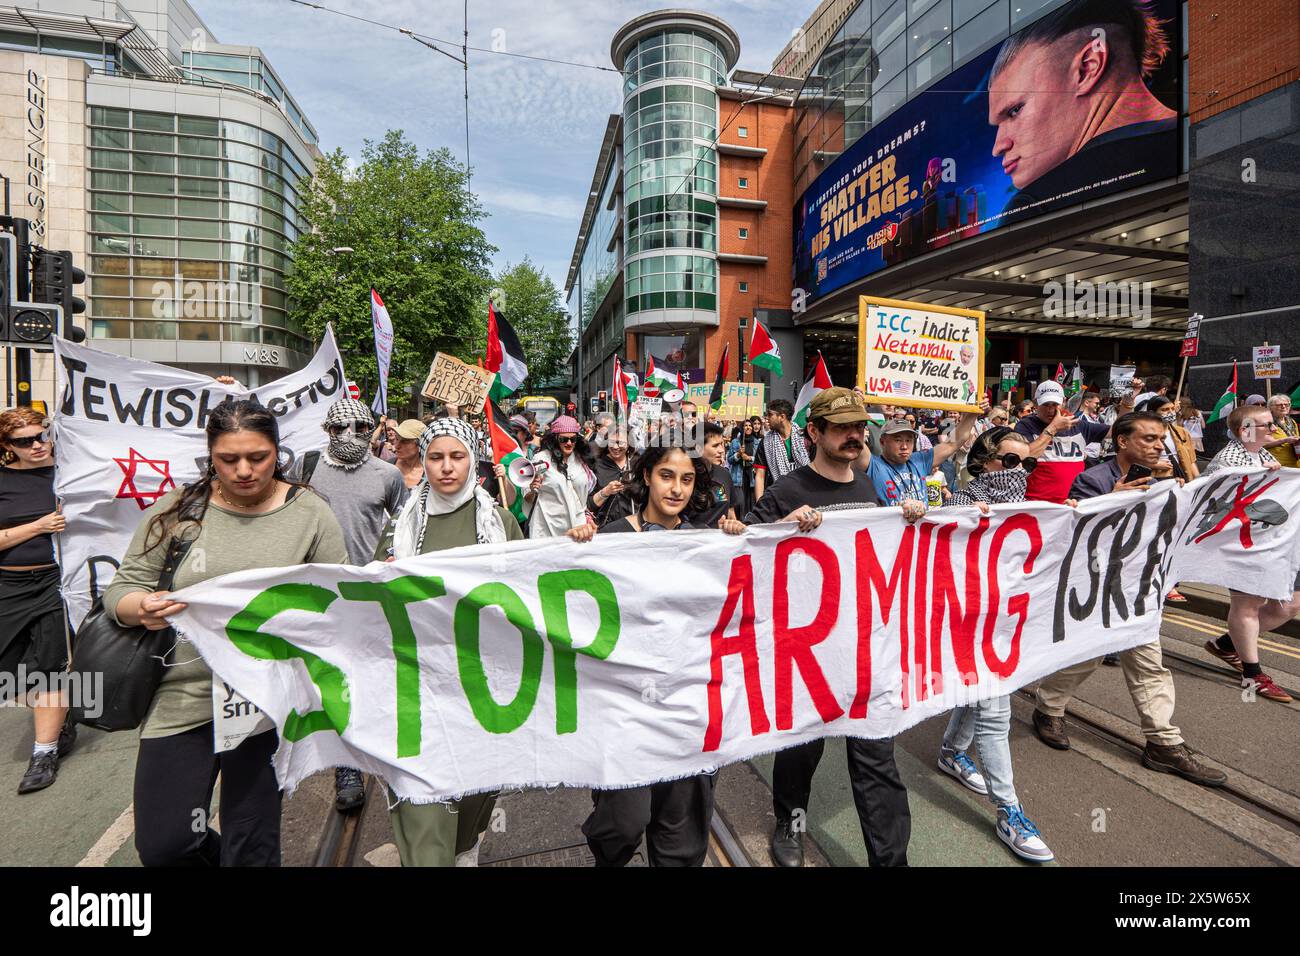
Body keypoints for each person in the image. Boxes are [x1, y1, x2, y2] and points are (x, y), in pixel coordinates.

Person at [106, 400, 349, 865]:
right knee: (165, 846)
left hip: (265, 701)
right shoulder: (178, 510)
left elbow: (335, 603)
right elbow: (124, 586)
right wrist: (141, 608)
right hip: (182, 698)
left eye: (257, 457)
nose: (243, 471)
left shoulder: (312, 514)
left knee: (251, 845)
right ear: (210, 456)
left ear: (278, 452)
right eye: (228, 459)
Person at [741, 387, 919, 868]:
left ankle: (890, 861)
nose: (855, 436)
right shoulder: (786, 492)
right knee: (801, 749)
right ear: (814, 432)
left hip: (864, 649)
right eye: (842, 428)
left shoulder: (870, 488)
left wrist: (906, 522)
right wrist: (777, 527)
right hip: (809, 652)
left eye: (860, 428)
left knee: (877, 760)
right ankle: (789, 823)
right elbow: (739, 551)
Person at [375, 418, 543, 865]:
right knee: (424, 813)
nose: (447, 467)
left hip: (482, 691)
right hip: (417, 691)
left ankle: (465, 849)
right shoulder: (398, 530)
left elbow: (526, 598)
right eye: (436, 457)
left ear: (473, 460)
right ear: (423, 461)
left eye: (457, 456)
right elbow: (368, 610)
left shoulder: (501, 522)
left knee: (470, 804)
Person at [1031, 411, 1227, 787]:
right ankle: (1048, 708)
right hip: (1098, 594)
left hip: (1140, 593)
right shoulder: (1093, 480)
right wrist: (1109, 501)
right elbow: (1074, 537)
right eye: (1149, 438)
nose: (1158, 446)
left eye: (1160, 439)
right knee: (1084, 658)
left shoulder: (1169, 480)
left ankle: (1163, 744)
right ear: (1122, 441)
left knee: (1150, 665)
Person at [575, 443, 731, 866]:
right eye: (667, 476)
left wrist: (744, 542)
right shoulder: (612, 538)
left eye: (687, 479)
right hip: (627, 705)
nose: (676, 488)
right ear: (647, 477)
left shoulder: (707, 543)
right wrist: (575, 549)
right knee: (624, 820)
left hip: (687, 703)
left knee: (681, 826)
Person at [941, 427, 1056, 862]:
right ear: (985, 463)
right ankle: (1010, 811)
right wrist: (958, 517)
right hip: (970, 623)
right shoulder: (961, 502)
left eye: (1026, 464)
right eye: (1010, 463)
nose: (1019, 473)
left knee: (980, 698)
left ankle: (952, 752)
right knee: (995, 714)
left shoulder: (1032, 507)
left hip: (1009, 622)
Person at [307, 398, 409, 810]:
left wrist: (395, 562)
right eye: (339, 428)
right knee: (336, 677)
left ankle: (385, 751)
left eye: (359, 427)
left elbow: (406, 524)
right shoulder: (305, 468)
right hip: (319, 590)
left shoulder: (388, 474)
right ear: (326, 430)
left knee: (375, 672)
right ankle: (347, 764)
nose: (349, 435)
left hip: (369, 591)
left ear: (373, 430)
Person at [988, 0, 1177, 219]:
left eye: (1014, 111)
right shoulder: (1194, 142)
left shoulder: (1035, 205)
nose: (998, 147)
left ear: (1089, 67)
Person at [0, 409, 77, 795]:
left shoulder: (73, 468)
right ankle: (63, 718)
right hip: (9, 585)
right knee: (10, 673)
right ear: (6, 447)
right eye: (24, 441)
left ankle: (43, 751)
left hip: (56, 582)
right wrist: (38, 526)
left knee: (49, 665)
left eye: (41, 435)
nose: (36, 444)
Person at [1200, 404, 1296, 702]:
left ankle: (1228, 644)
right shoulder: (1228, 460)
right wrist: (1256, 478)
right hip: (1243, 544)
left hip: (1272, 540)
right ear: (1245, 430)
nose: (1274, 429)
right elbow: (1216, 503)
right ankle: (1253, 675)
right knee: (1249, 604)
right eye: (1267, 425)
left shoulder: (1262, 452)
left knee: (1288, 606)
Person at [1017, 379, 1136, 502]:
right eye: (1046, 404)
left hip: (1074, 503)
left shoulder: (1079, 425)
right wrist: (1053, 428)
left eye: (1055, 404)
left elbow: (1116, 430)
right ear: (1036, 404)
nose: (1050, 410)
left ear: (1063, 402)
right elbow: (1026, 457)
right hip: (1038, 504)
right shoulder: (1025, 425)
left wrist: (1127, 403)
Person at [862, 400, 987, 509]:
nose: (904, 446)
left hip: (921, 534)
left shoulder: (919, 460)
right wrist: (857, 405)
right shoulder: (873, 465)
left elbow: (953, 443)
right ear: (882, 442)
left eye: (909, 440)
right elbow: (856, 441)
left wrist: (973, 412)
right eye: (898, 440)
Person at [526, 416, 594, 538]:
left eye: (573, 439)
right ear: (555, 439)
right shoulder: (541, 459)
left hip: (578, 528)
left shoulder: (581, 460)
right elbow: (527, 498)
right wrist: (533, 488)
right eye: (564, 439)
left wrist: (586, 515)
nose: (569, 443)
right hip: (546, 529)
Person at [753, 399, 808, 502]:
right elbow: (760, 475)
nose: (766, 419)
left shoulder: (805, 438)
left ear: (782, 417)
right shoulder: (765, 442)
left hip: (806, 493)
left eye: (770, 415)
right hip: (778, 497)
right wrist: (759, 504)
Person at [589, 423, 634, 528]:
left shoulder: (636, 464)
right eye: (611, 442)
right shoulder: (596, 465)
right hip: (605, 529)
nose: (615, 447)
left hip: (634, 528)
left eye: (620, 443)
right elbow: (588, 504)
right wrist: (605, 492)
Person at [693, 421, 736, 528]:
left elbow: (730, 512)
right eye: (715, 446)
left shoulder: (725, 474)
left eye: (722, 444)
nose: (721, 450)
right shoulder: (686, 477)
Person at [1264, 394, 1300, 468]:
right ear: (1270, 407)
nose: (1283, 407)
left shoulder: (1291, 421)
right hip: (1278, 466)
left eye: (1286, 404)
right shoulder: (1266, 422)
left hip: (1295, 464)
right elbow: (1260, 445)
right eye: (1279, 405)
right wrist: (1284, 440)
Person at [390, 418, 427, 490]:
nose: (397, 446)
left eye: (404, 441)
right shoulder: (388, 466)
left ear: (420, 444)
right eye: (397, 439)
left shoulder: (430, 473)